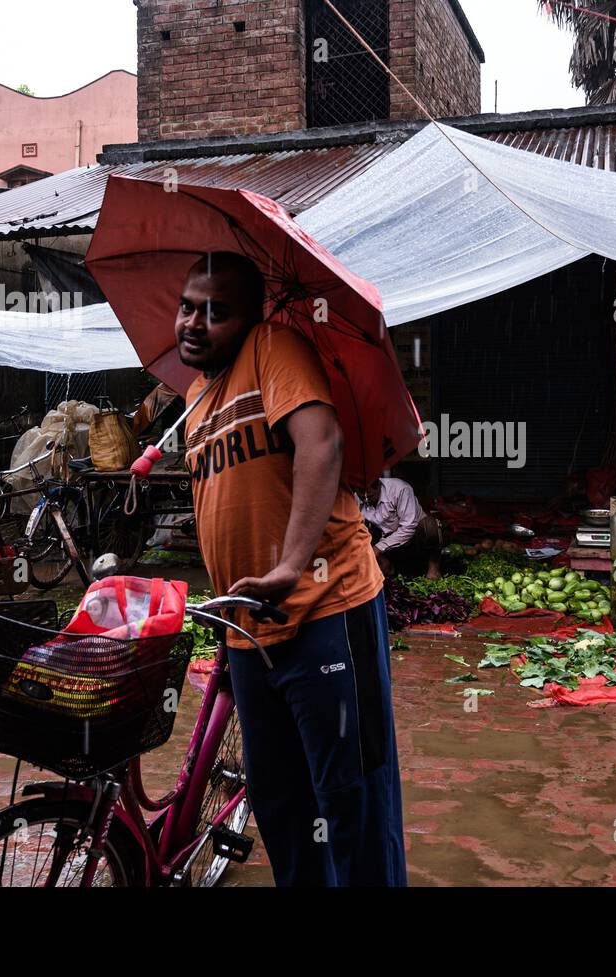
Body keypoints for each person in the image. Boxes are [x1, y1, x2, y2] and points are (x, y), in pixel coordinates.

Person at [177, 251, 405, 886]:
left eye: (217, 311)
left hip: (326, 607)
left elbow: (322, 442)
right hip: (248, 630)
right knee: (281, 807)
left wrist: (290, 565)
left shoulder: (274, 349)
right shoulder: (194, 397)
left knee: (352, 798)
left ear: (250, 317)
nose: (195, 322)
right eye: (188, 306)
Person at [358, 476, 442, 580]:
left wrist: (378, 548)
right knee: (359, 531)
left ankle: (433, 566)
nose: (366, 496)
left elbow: (409, 527)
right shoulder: (354, 498)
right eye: (361, 493)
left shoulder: (400, 488)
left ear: (379, 484)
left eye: (370, 493)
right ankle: (387, 565)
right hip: (386, 540)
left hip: (414, 537)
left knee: (430, 526)